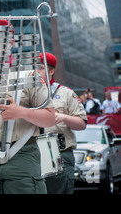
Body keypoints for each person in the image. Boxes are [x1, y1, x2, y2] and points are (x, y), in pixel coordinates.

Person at [0, 19, 55, 194]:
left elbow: (50, 119)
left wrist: (21, 112)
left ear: (11, 42)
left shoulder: (30, 75)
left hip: (22, 156)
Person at [37, 53, 87, 194]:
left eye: (40, 68)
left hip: (59, 153)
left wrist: (63, 117)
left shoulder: (65, 93)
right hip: (32, 154)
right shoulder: (25, 94)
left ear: (51, 71)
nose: (35, 71)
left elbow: (82, 123)